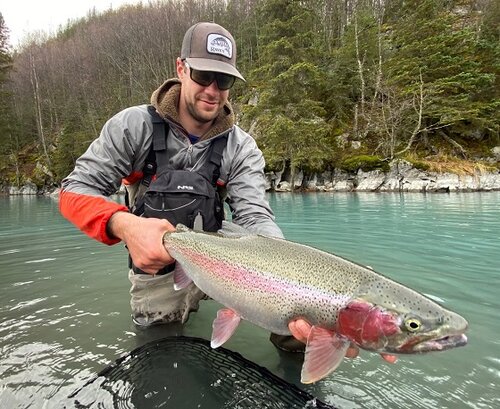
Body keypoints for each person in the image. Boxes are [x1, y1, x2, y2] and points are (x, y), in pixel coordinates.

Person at [60, 21, 395, 363]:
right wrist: (125, 226)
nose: (213, 90)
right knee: (159, 353)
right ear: (181, 68)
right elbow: (73, 191)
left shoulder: (241, 147)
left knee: (305, 324)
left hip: (229, 265)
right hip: (159, 269)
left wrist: (290, 278)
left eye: (224, 81)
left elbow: (254, 217)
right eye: (204, 75)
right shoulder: (133, 127)